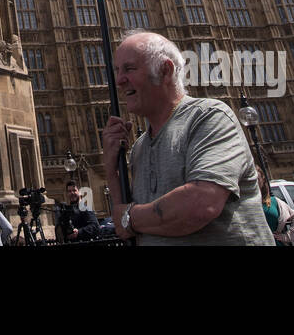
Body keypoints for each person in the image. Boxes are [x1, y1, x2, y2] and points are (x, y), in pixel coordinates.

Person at [102, 31, 274, 245]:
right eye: (117, 71)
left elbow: (201, 204)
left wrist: (130, 218)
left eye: (129, 69)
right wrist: (112, 170)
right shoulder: (139, 147)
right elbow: (123, 225)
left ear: (166, 70)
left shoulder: (209, 117)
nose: (119, 80)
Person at [256, 169, 294, 246]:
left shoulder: (274, 201)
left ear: (263, 180)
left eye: (257, 179)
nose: (254, 182)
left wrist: (287, 237)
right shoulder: (241, 203)